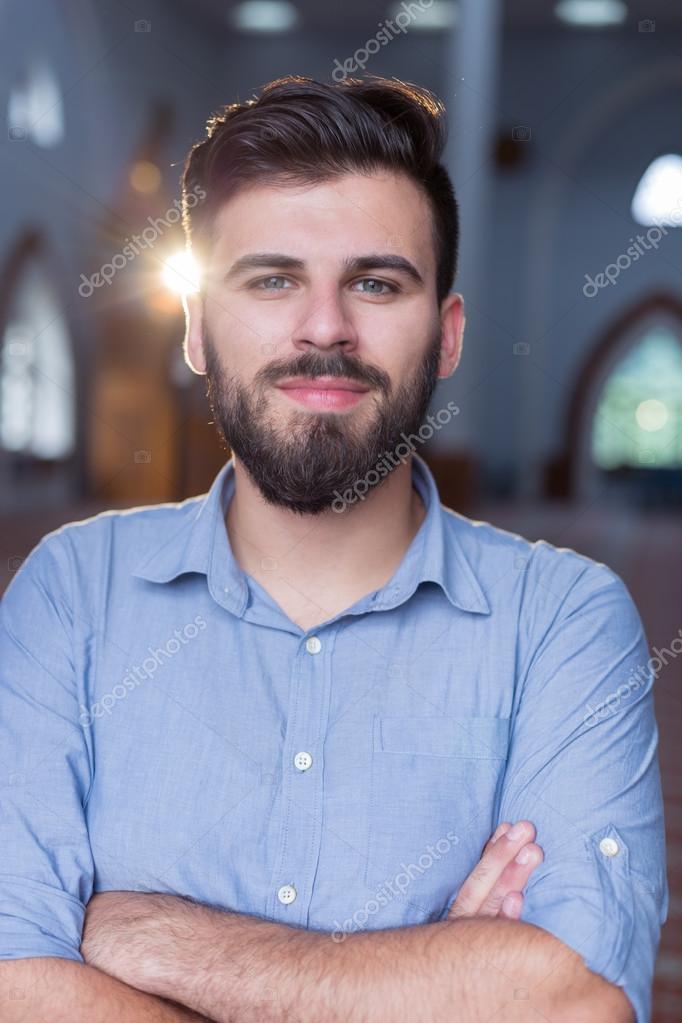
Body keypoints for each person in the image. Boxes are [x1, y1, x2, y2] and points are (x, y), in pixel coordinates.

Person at [0, 75, 666, 1022]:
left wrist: (151, 934)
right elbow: (15, 986)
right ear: (198, 329)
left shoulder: (564, 620)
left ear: (446, 335)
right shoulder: (70, 592)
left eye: (376, 283)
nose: (325, 328)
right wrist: (441, 980)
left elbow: (577, 1001)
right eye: (272, 279)